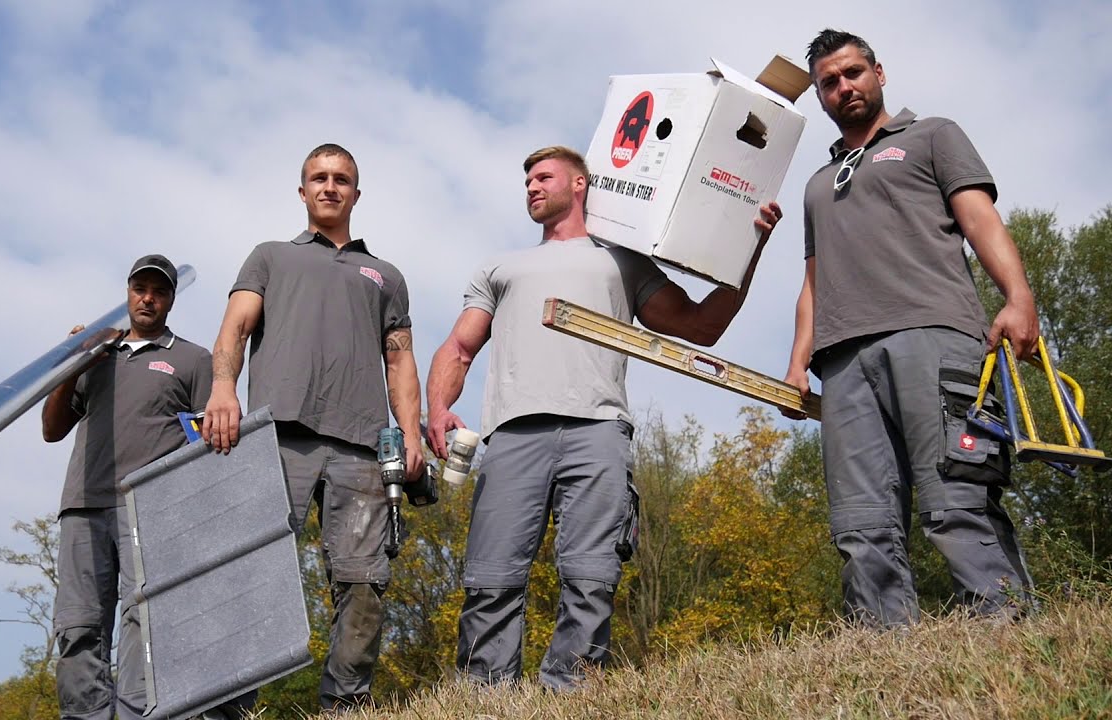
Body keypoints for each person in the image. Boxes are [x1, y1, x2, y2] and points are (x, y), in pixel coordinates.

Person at [425, 145, 780, 689]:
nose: (531, 187)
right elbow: (458, 348)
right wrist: (438, 408)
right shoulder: (500, 268)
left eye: (543, 177)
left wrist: (751, 249)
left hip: (597, 431)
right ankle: (484, 697)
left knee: (591, 575)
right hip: (513, 433)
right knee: (491, 577)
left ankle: (571, 691)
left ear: (580, 184)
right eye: (526, 181)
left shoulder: (624, 261)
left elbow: (701, 326)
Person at [781, 29, 1038, 626]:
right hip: (843, 361)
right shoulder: (820, 183)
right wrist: (798, 361)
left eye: (852, 73)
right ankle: (883, 649)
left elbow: (981, 220)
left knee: (957, 493)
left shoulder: (932, 135)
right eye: (829, 82)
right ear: (819, 96)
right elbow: (813, 283)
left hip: (934, 334)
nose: (843, 86)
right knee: (859, 520)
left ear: (879, 73)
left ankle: (1006, 625)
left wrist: (1018, 297)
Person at [201, 143, 423, 712]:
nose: (330, 186)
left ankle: (345, 705)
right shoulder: (270, 256)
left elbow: (399, 360)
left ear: (355, 192)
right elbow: (234, 329)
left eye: (341, 179)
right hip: (277, 439)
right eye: (318, 178)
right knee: (250, 574)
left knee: (363, 584)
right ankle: (228, 707)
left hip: (363, 451)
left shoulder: (386, 275)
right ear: (302, 192)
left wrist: (412, 432)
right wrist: (223, 389)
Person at [43, 255, 227, 719]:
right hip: (84, 504)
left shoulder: (191, 359)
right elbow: (51, 428)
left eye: (159, 291)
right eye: (140, 289)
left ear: (170, 300)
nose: (148, 298)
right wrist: (69, 364)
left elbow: (210, 437)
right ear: (127, 293)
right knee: (78, 625)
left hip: (149, 507)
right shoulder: (94, 355)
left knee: (141, 622)